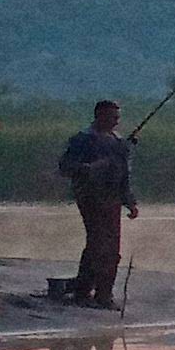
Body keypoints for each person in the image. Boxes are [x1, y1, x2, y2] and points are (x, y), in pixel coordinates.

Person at [54, 99, 133, 308]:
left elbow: (123, 175)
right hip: (90, 198)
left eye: (118, 117)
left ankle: (101, 293)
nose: (116, 122)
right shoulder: (83, 139)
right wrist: (88, 168)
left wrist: (130, 202)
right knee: (98, 244)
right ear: (99, 115)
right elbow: (65, 167)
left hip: (113, 198)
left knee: (112, 248)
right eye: (112, 117)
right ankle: (87, 292)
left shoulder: (118, 141)